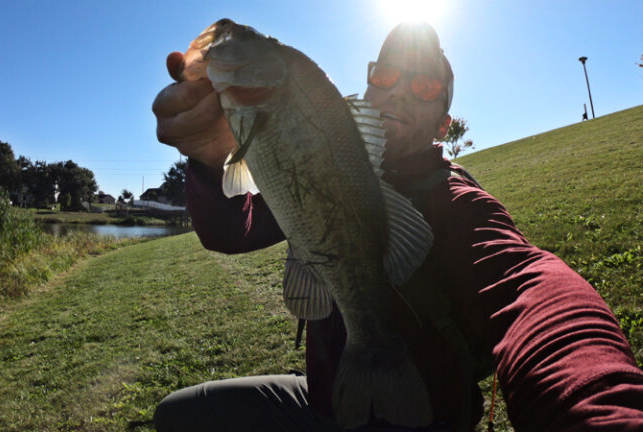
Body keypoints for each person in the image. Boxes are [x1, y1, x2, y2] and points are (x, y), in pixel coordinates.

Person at [151, 22, 643, 431]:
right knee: (179, 414)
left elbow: (531, 288)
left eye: (424, 87)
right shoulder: (326, 164)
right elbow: (229, 231)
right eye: (385, 74)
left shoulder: (459, 205)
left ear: (444, 125)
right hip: (323, 398)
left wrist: (601, 410)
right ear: (368, 87)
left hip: (416, 417)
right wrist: (209, 161)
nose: (399, 91)